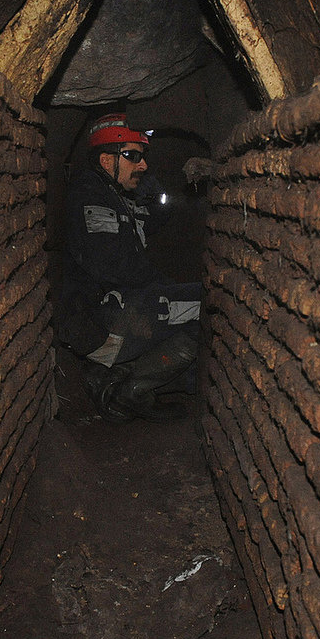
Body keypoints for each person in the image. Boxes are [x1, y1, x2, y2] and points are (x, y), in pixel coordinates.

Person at [56, 113, 202, 421]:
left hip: (112, 313)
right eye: (133, 156)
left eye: (143, 156)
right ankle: (128, 392)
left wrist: (153, 192)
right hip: (102, 321)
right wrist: (158, 288)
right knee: (211, 305)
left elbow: (156, 219)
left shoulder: (114, 196)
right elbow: (111, 264)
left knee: (193, 306)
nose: (143, 164)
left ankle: (116, 376)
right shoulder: (89, 195)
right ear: (107, 160)